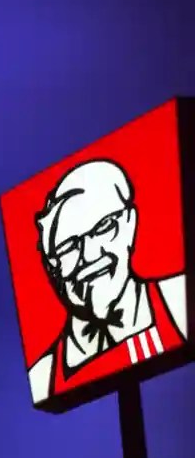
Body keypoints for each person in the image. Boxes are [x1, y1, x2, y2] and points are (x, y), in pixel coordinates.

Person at [28, 159, 187, 404]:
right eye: (68, 246)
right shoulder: (43, 376)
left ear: (129, 224)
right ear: (52, 266)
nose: (90, 255)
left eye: (103, 227)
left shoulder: (180, 303)